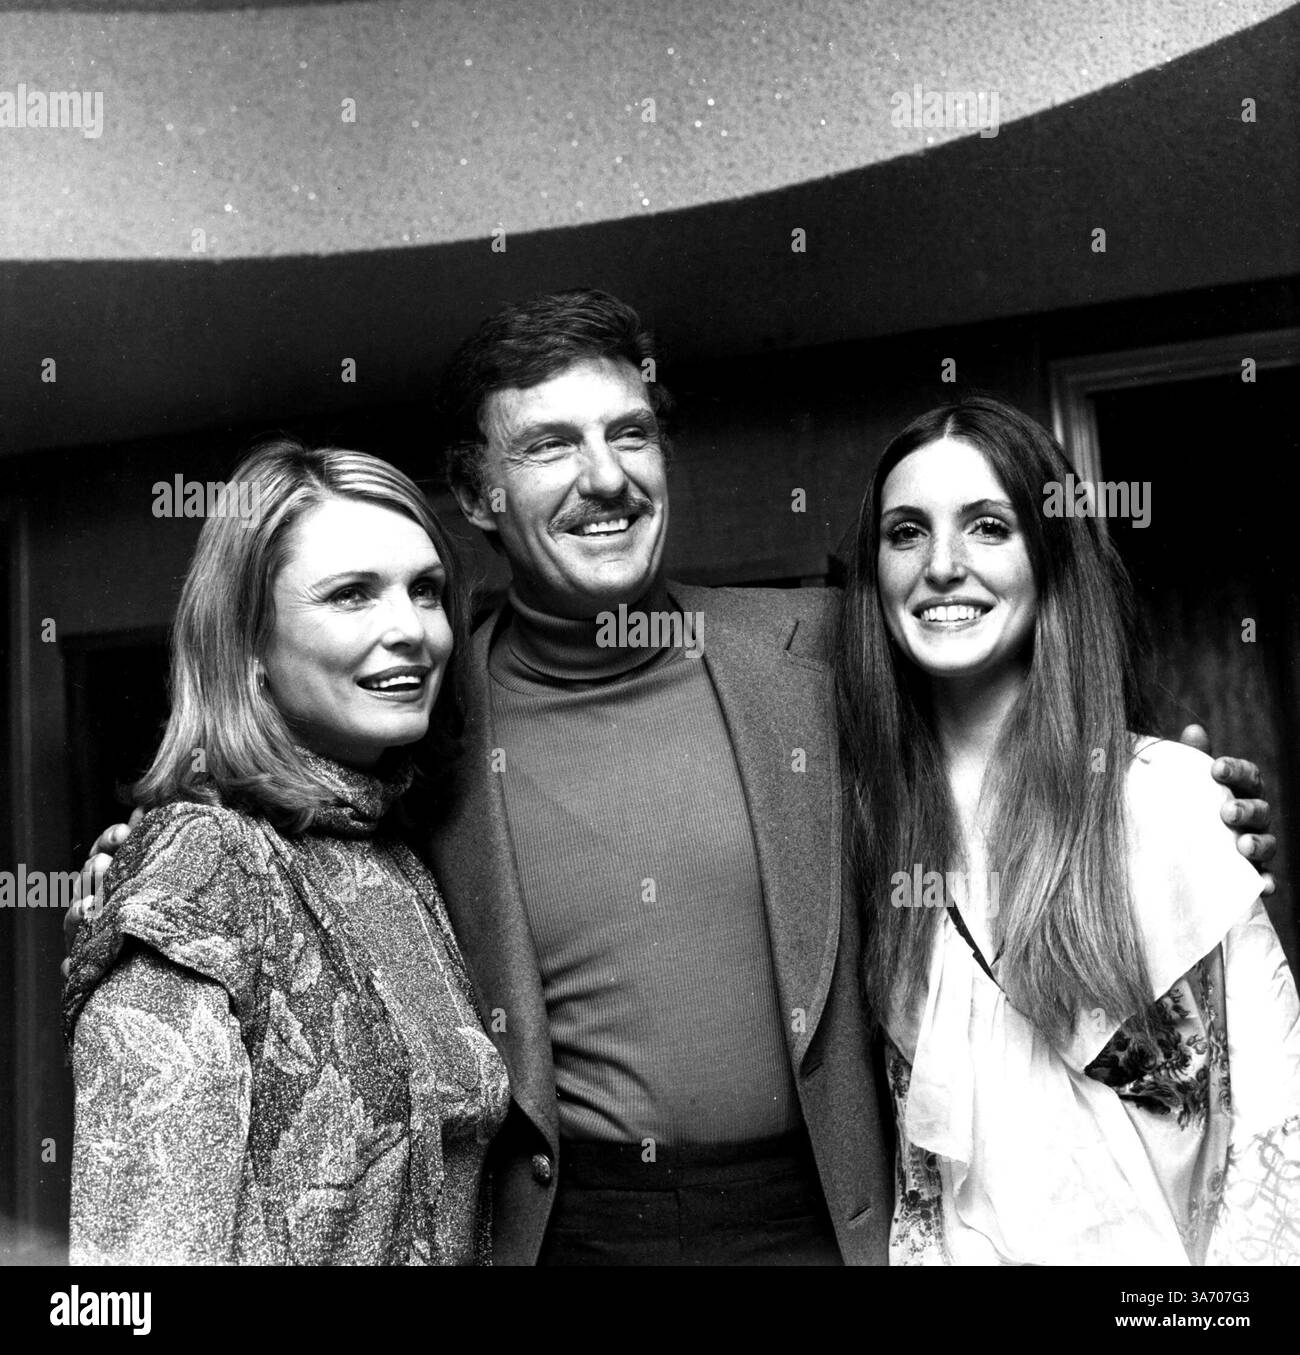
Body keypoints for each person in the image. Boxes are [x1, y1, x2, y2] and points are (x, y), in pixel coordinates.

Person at [69, 291, 1277, 1266]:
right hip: (570, 1227)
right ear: (480, 493)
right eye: (548, 444)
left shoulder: (820, 649)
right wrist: (151, 876)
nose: (604, 476)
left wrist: (1165, 794)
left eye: (629, 432)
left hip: (822, 1212)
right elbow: (285, 817)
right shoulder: (426, 716)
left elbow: (1000, 709)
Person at [835, 394, 1300, 1266]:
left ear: (1049, 561)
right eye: (906, 532)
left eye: (986, 526)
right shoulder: (860, 827)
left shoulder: (1163, 797)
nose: (942, 565)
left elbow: (1278, 1129)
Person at [63, 440, 510, 1265]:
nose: (410, 630)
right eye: (351, 595)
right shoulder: (203, 867)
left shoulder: (392, 855)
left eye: (426, 590)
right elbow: (142, 1259)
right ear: (249, 646)